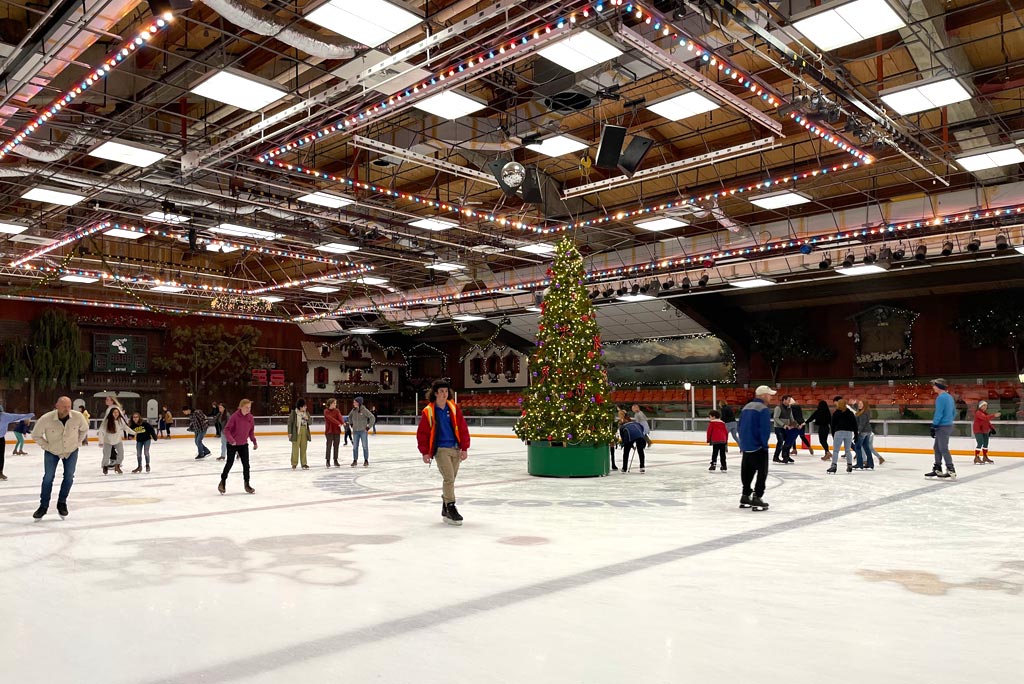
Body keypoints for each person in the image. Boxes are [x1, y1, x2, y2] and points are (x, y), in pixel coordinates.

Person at [417, 379, 471, 525]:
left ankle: (445, 505)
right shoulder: (428, 411)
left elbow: (463, 428)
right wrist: (425, 452)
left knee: (451, 478)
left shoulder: (453, 408)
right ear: (435, 393)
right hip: (441, 450)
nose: (444, 394)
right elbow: (422, 433)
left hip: (455, 448)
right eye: (441, 391)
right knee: (449, 478)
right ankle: (451, 506)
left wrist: (464, 448)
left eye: (446, 391)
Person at [31, 396, 89, 520]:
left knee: (69, 477)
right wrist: (46, 446)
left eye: (69, 406)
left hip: (71, 451)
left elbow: (84, 429)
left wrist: (78, 442)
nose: (67, 409)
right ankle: (43, 506)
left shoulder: (78, 417)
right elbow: (35, 435)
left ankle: (62, 503)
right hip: (52, 451)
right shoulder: (46, 419)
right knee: (48, 477)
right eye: (64, 407)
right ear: (57, 406)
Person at [737, 385, 775, 510]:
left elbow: (740, 427)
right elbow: (764, 429)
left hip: (746, 446)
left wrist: (743, 443)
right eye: (769, 395)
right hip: (758, 446)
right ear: (763, 395)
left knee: (747, 472)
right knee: (762, 473)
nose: (771, 397)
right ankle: (757, 496)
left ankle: (745, 494)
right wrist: (764, 445)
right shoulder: (763, 409)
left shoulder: (746, 408)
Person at [219, 398, 258, 495]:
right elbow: (226, 430)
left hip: (243, 445)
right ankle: (222, 482)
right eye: (246, 407)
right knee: (229, 463)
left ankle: (247, 484)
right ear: (241, 407)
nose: (248, 410)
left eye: (249, 408)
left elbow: (251, 432)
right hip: (233, 445)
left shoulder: (250, 418)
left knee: (246, 465)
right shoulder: (234, 417)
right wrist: (231, 440)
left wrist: (254, 442)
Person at [926, 378, 956, 479]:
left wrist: (934, 425)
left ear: (939, 387)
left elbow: (939, 413)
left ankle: (951, 469)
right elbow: (954, 412)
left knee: (943, 448)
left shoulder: (941, 398)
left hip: (942, 426)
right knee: (937, 447)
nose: (933, 387)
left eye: (934, 385)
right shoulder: (949, 397)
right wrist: (949, 420)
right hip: (947, 425)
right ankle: (937, 468)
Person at [0, 406, 35, 481]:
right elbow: (17, 417)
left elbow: (17, 417)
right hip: (1, 438)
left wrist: (28, 415)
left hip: (1, 438)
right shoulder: (5, 416)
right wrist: (29, 415)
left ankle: (0, 473)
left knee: (1, 456)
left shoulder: (5, 416)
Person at [828, 397, 857, 474]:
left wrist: (833, 434)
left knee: (836, 450)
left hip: (839, 432)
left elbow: (833, 425)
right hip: (848, 433)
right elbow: (854, 424)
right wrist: (856, 434)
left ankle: (834, 466)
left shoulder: (836, 413)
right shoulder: (850, 413)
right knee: (848, 450)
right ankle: (849, 465)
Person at [854, 400, 883, 469]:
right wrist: (854, 404)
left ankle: (859, 463)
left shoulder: (863, 413)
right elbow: (857, 411)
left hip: (863, 432)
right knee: (866, 447)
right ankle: (870, 464)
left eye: (861, 404)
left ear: (865, 405)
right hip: (867, 432)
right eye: (859, 403)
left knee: (857, 447)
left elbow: (862, 424)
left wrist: (858, 432)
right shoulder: (864, 411)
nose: (859, 405)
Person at [100, 407, 130, 475]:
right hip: (108, 440)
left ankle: (117, 466)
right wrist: (101, 441)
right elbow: (101, 430)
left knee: (121, 454)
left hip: (118, 440)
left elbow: (125, 427)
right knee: (106, 455)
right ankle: (105, 466)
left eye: (117, 412)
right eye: (114, 412)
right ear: (111, 413)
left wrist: (134, 432)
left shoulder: (120, 420)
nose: (116, 414)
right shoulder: (107, 420)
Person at [348, 396, 376, 467]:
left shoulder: (364, 410)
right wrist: (351, 424)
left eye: (355, 402)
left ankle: (366, 460)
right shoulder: (353, 410)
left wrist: (368, 427)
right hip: (355, 431)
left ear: (358, 403)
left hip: (363, 431)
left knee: (365, 446)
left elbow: (372, 417)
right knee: (355, 447)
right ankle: (355, 460)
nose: (353, 403)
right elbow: (349, 417)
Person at [972, 400, 1000, 464]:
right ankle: (976, 457)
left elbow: (987, 421)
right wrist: (994, 415)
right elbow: (985, 418)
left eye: (986, 405)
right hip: (978, 430)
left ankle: (985, 457)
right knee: (980, 443)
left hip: (985, 430)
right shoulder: (978, 413)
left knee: (985, 444)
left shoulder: (985, 413)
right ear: (980, 406)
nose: (985, 407)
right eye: (984, 405)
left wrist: (992, 428)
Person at [288, 398, 311, 470]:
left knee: (304, 448)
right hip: (296, 432)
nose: (306, 407)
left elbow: (310, 423)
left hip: (304, 431)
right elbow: (290, 423)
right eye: (304, 406)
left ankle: (304, 463)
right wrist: (290, 432)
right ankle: (294, 463)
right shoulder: (294, 413)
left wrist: (307, 419)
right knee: (295, 448)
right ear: (300, 407)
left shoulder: (306, 413)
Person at [772, 395, 794, 464]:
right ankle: (775, 457)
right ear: (784, 400)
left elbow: (791, 418)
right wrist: (783, 425)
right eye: (788, 400)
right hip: (779, 428)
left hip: (786, 428)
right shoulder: (778, 408)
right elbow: (776, 418)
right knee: (780, 441)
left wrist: (794, 424)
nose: (789, 401)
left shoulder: (789, 408)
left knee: (788, 442)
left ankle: (786, 456)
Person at [323, 398, 343, 467]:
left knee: (336, 446)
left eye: (335, 403)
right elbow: (330, 419)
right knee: (329, 446)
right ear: (330, 403)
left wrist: (342, 423)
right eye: (334, 403)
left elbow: (340, 417)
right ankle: (327, 460)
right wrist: (338, 423)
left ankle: (335, 460)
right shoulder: (326, 411)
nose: (335, 404)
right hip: (329, 431)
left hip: (337, 430)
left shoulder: (337, 410)